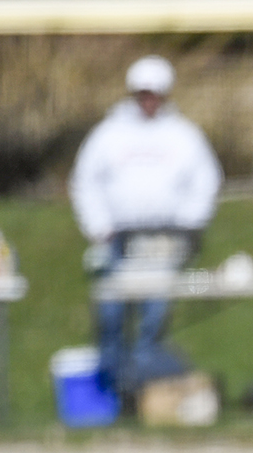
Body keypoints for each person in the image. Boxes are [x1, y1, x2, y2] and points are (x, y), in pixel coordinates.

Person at [68, 55, 221, 400]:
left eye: (155, 93)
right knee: (111, 316)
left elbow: (206, 181)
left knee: (153, 320)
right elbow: (85, 181)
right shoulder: (109, 133)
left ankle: (146, 393)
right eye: (143, 93)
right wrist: (99, 227)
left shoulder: (183, 134)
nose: (149, 100)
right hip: (118, 239)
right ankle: (113, 395)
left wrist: (188, 225)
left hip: (164, 240)